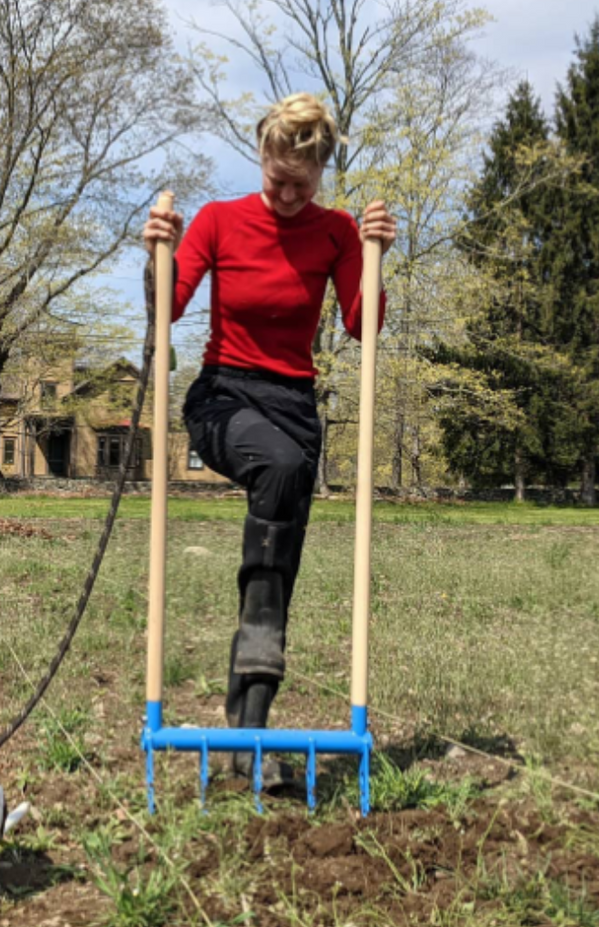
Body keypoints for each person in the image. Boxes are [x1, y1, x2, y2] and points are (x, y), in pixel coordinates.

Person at [142, 93, 396, 789]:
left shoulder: (337, 231)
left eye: (301, 185)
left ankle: (245, 735)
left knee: (275, 572)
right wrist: (157, 253)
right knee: (281, 470)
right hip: (223, 396)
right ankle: (242, 738)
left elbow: (359, 325)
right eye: (275, 178)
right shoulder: (221, 221)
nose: (286, 196)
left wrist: (374, 256)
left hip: (293, 407)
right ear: (260, 154)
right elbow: (168, 305)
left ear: (320, 174)